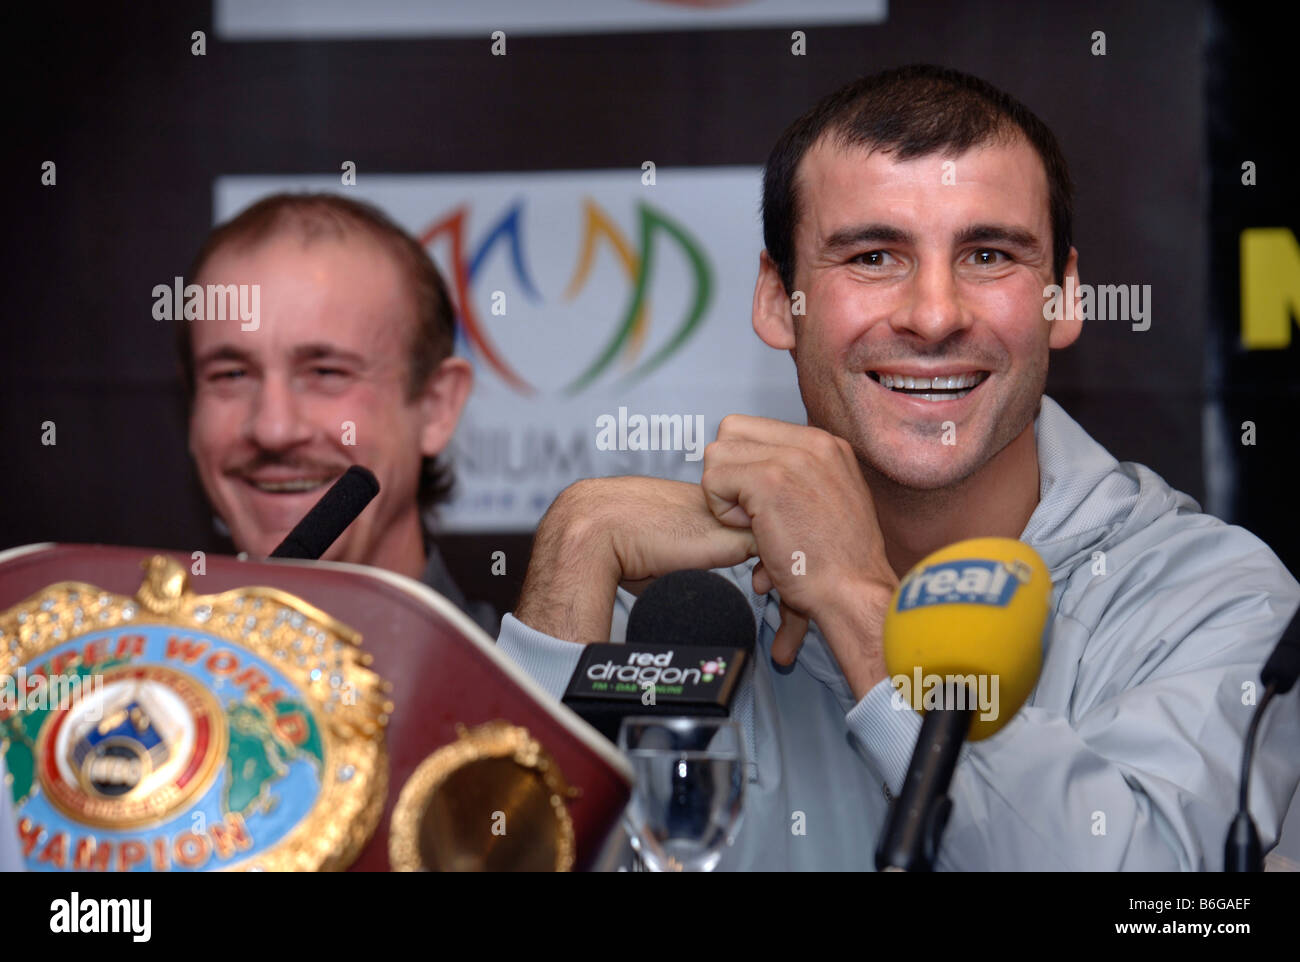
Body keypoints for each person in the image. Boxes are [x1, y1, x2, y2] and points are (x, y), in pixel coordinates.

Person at [495, 65, 1300, 869]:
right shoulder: (673, 608)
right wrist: (573, 554)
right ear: (779, 299)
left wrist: (858, 599)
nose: (935, 314)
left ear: (1064, 297)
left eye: (988, 255)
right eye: (875, 257)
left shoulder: (1207, 599)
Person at [179, 193, 498, 636]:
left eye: (326, 372)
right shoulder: (128, 693)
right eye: (232, 374)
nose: (273, 429)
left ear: (435, 407)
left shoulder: (526, 699)